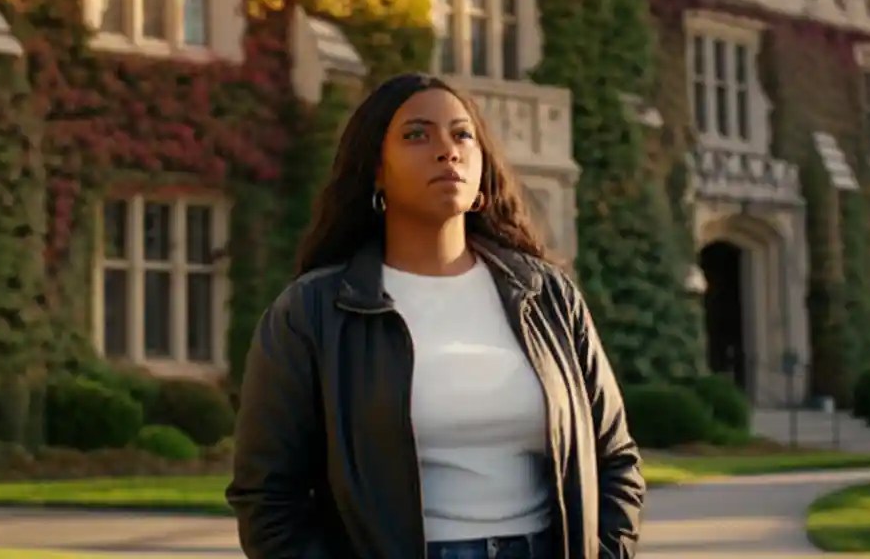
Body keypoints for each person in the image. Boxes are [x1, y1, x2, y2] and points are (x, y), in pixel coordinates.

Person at [226, 72, 645, 558]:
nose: (448, 150)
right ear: (376, 171)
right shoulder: (312, 313)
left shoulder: (547, 296)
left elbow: (615, 458)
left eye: (462, 134)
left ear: (482, 169)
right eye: (416, 135)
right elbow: (267, 496)